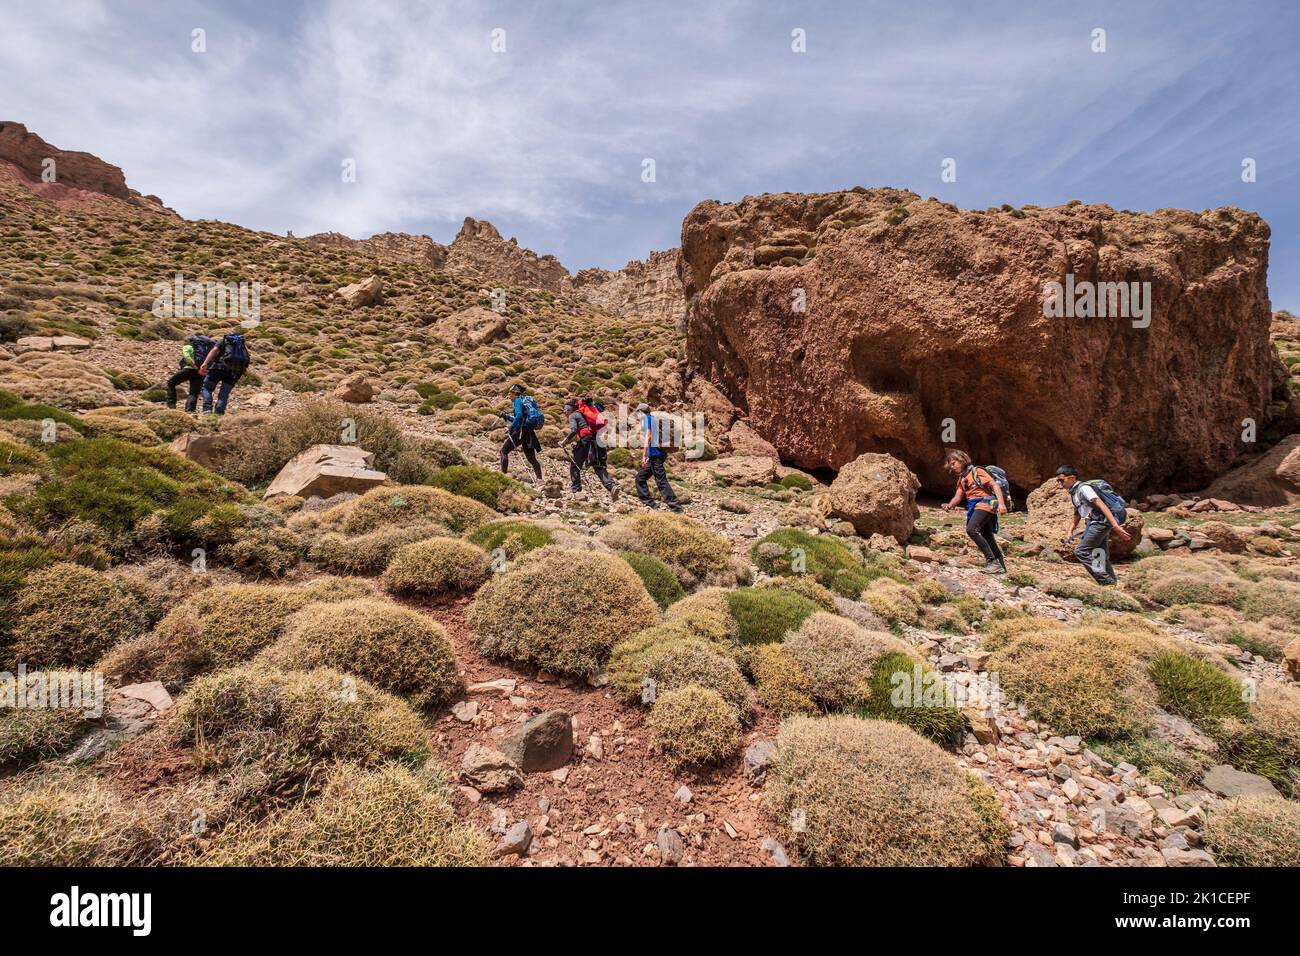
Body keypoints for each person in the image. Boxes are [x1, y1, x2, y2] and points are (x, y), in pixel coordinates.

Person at [1056, 465, 1131, 586]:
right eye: (1058, 480)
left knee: (1081, 551)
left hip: (1100, 523)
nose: (1060, 483)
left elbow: (1102, 505)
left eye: (1062, 480)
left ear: (1072, 478)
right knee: (1099, 553)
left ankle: (1106, 582)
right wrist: (1069, 531)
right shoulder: (1074, 492)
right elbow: (1077, 514)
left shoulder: (1084, 488)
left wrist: (1115, 526)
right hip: (1093, 523)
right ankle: (1112, 584)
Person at [941, 449, 1008, 574]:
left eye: (954, 462)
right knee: (988, 536)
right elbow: (958, 496)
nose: (952, 466)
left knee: (971, 529)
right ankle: (1001, 567)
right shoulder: (962, 478)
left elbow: (994, 485)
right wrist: (949, 506)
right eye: (950, 464)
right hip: (975, 505)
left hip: (986, 502)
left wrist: (1002, 504)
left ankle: (992, 562)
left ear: (962, 460)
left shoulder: (977, 471)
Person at [559, 399, 619, 500]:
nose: (564, 412)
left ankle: (576, 490)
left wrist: (564, 442)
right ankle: (611, 486)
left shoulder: (573, 415)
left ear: (569, 409)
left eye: (565, 409)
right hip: (596, 439)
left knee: (575, 466)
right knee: (598, 465)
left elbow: (574, 430)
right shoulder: (583, 414)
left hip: (586, 441)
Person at [635, 402, 681, 512]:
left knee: (661, 481)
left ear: (641, 412)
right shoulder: (653, 419)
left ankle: (676, 507)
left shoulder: (648, 419)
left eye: (637, 412)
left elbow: (648, 437)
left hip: (655, 455)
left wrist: (644, 455)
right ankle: (650, 504)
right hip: (656, 455)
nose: (637, 415)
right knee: (640, 478)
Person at [197, 329, 250, 416]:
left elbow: (214, 350)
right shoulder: (241, 345)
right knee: (224, 393)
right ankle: (219, 413)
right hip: (235, 372)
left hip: (218, 368)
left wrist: (205, 363)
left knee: (207, 388)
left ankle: (207, 409)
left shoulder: (223, 341)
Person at [498, 383, 543, 480]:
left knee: (503, 451)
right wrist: (507, 417)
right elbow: (521, 418)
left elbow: (518, 416)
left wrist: (510, 428)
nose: (509, 395)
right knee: (532, 459)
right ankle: (540, 480)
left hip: (521, 431)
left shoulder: (517, 401)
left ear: (515, 393)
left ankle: (503, 476)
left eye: (510, 393)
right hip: (528, 432)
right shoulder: (522, 401)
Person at [165, 334, 215, 412]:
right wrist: (200, 369)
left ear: (189, 341)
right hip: (200, 373)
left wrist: (195, 367)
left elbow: (187, 358)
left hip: (189, 370)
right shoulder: (203, 349)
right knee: (194, 392)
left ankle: (171, 404)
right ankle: (190, 410)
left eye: (184, 341)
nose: (183, 343)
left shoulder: (187, 347)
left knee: (170, 383)